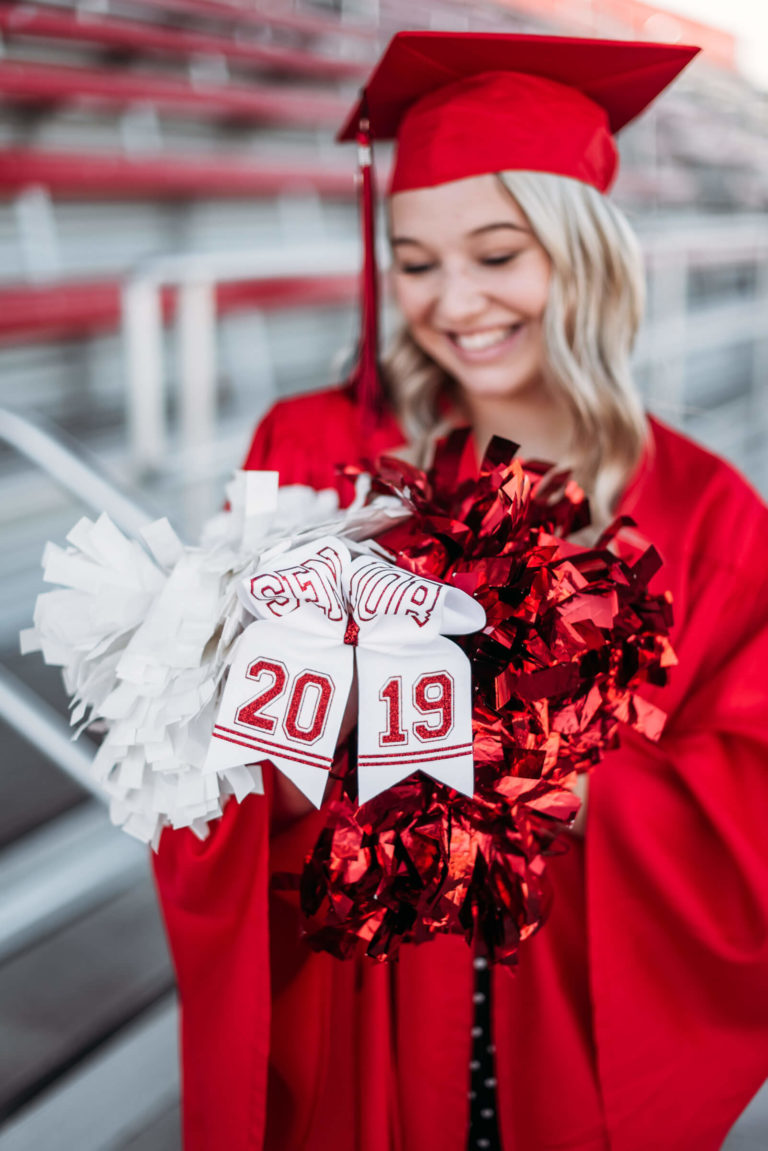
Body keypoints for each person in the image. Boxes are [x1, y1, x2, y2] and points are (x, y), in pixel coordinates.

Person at [152, 31, 768, 1151]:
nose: (452, 301)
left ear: (583, 253)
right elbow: (211, 768)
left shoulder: (707, 511)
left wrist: (531, 777)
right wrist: (269, 754)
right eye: (416, 258)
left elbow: (751, 799)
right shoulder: (315, 451)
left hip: (572, 1015)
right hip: (363, 1003)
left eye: (498, 252)